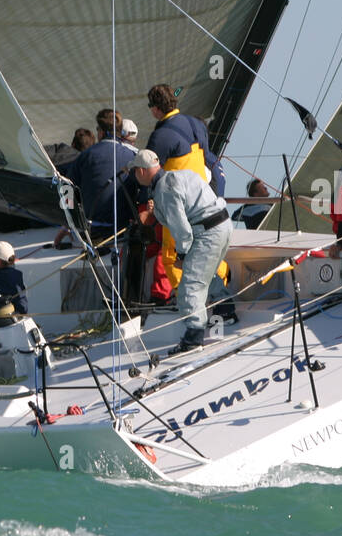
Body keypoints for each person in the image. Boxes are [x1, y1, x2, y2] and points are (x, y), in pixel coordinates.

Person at [128, 149, 236, 353]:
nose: (134, 175)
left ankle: (194, 338)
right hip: (224, 225)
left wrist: (183, 255)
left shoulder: (163, 189)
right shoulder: (180, 174)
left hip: (207, 232)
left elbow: (181, 228)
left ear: (142, 170)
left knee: (190, 286)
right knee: (206, 273)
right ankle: (226, 310)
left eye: (134, 171)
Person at [143, 84, 228, 293]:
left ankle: (185, 297)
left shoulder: (160, 135)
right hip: (204, 200)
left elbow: (150, 171)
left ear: (155, 108)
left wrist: (145, 202)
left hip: (178, 203)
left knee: (172, 255)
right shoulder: (196, 124)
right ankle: (222, 283)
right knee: (205, 249)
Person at [69, 108, 137, 237]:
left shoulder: (85, 156)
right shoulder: (133, 156)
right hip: (122, 231)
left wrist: (68, 224)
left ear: (101, 132)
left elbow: (66, 187)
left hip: (89, 231)